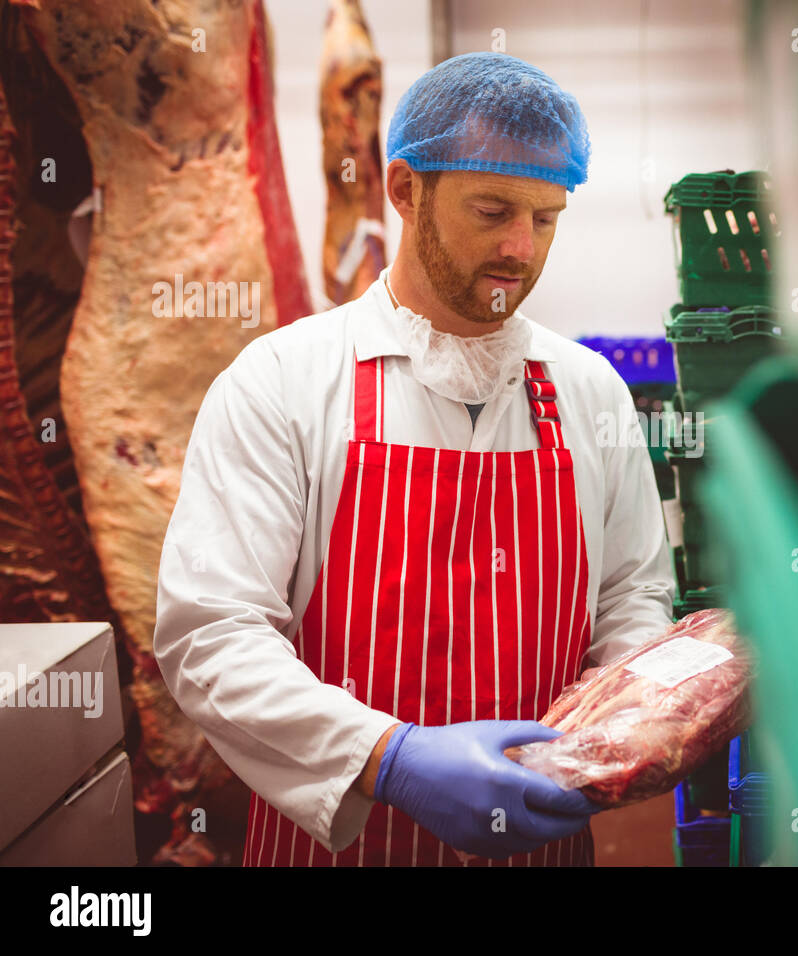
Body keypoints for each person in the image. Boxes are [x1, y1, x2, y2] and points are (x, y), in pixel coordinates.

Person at [153, 52, 675, 867]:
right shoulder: (283, 381)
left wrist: (626, 721)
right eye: (492, 208)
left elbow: (632, 595)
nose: (519, 247)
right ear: (403, 189)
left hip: (539, 845)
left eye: (545, 218)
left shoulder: (590, 392)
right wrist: (389, 759)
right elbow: (211, 636)